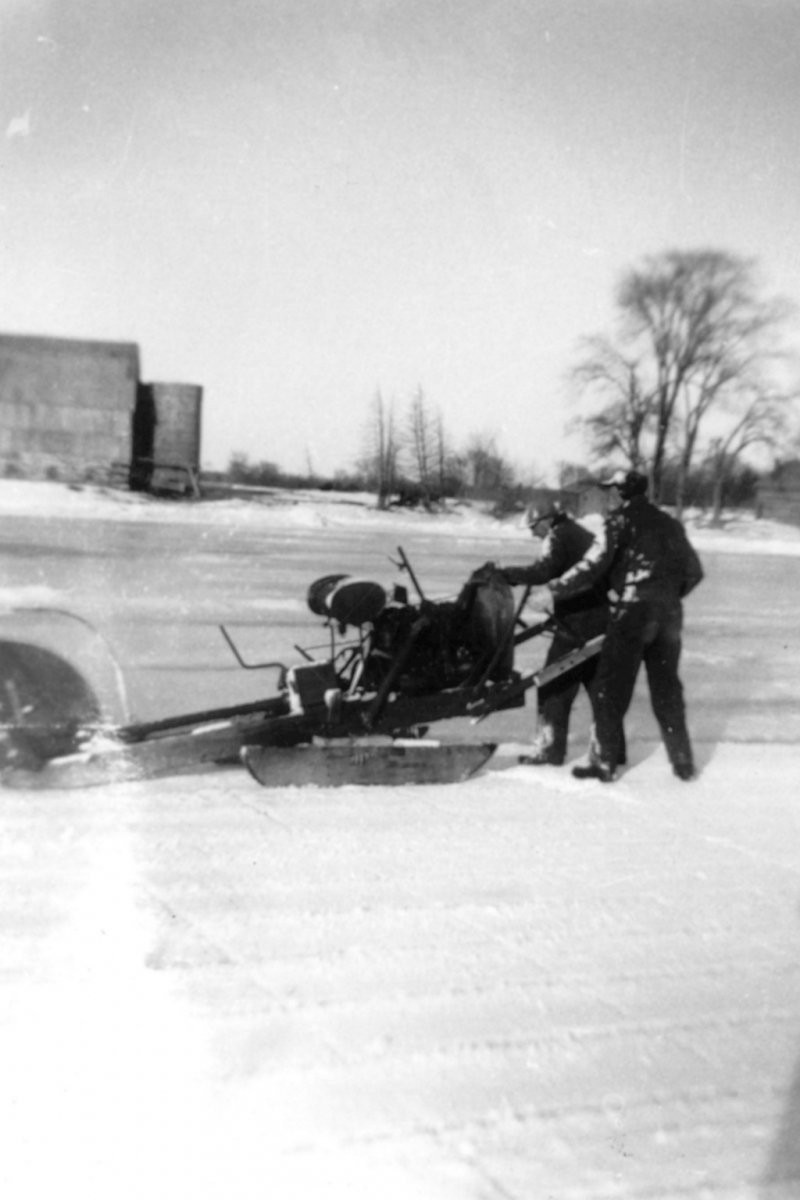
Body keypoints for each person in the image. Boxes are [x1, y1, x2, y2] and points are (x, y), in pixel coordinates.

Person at [547, 469, 704, 783]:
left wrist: (556, 588)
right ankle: (683, 761)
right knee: (667, 689)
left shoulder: (618, 523)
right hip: (669, 616)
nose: (607, 497)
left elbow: (592, 566)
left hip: (633, 613)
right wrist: (667, 595)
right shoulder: (670, 524)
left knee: (610, 688)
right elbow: (694, 572)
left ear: (621, 492)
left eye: (610, 492)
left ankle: (604, 763)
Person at [497, 503, 616, 766]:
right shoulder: (576, 532)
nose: (532, 534)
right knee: (599, 688)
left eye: (533, 527)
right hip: (597, 618)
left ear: (546, 519)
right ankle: (609, 753)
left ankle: (550, 751)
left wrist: (507, 574)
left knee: (554, 685)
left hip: (578, 624)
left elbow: (543, 571)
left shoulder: (559, 535)